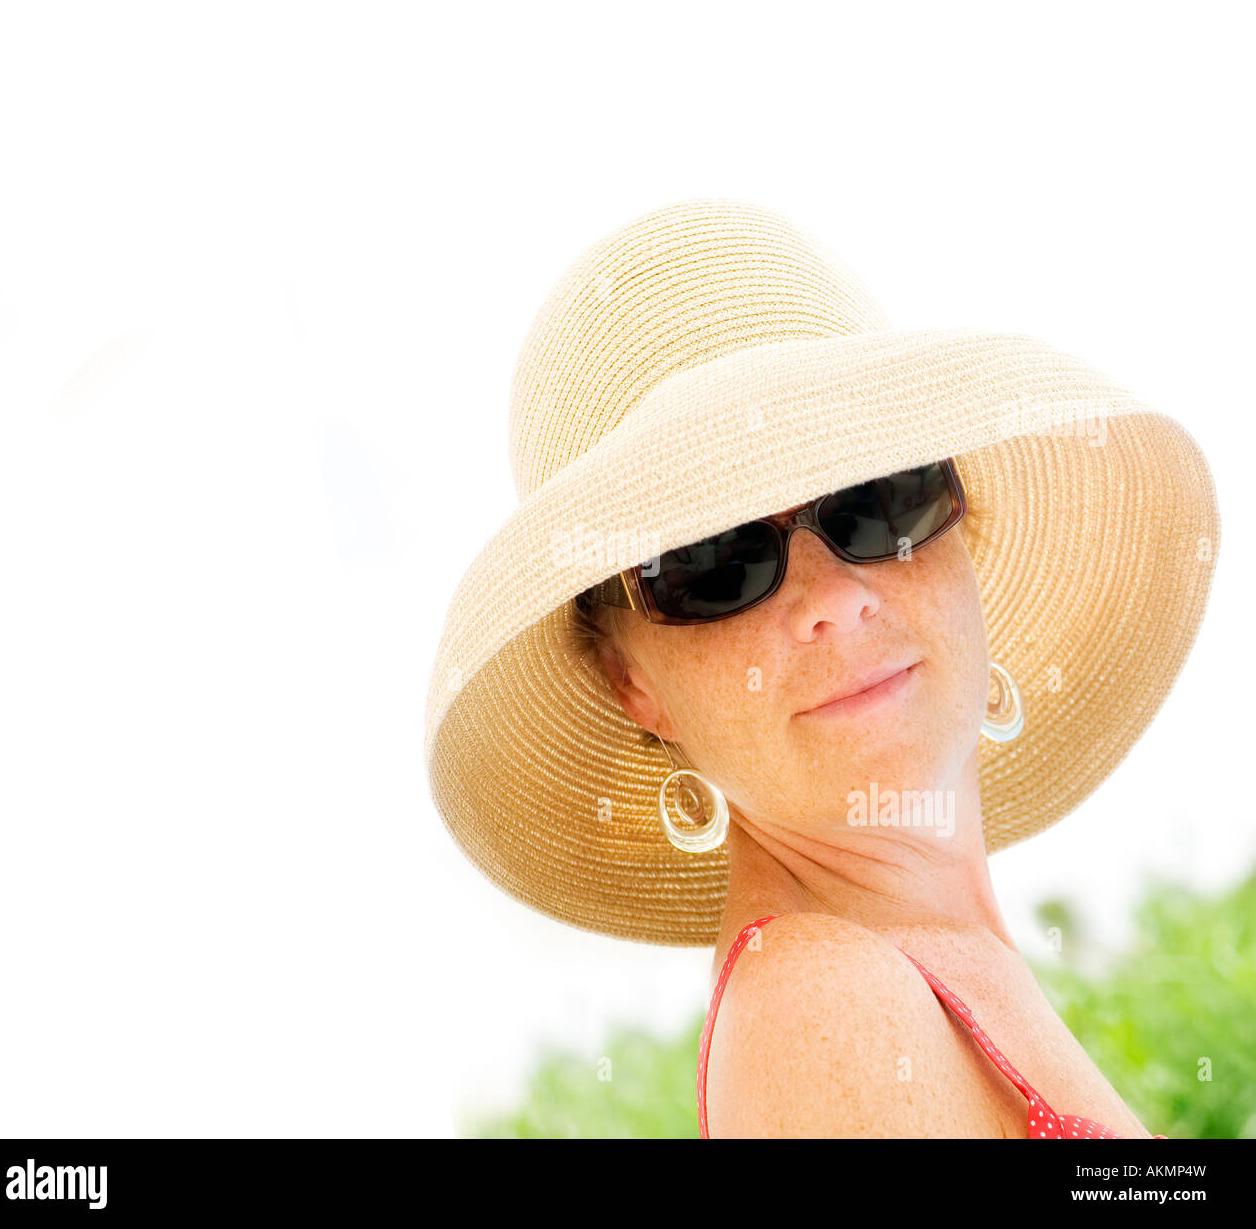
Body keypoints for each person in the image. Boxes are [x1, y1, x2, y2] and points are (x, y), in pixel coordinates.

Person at [423, 198, 1219, 1138]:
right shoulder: (826, 1005)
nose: (833, 597)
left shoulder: (920, 965)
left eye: (877, 497)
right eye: (714, 561)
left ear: (960, 519)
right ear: (633, 682)